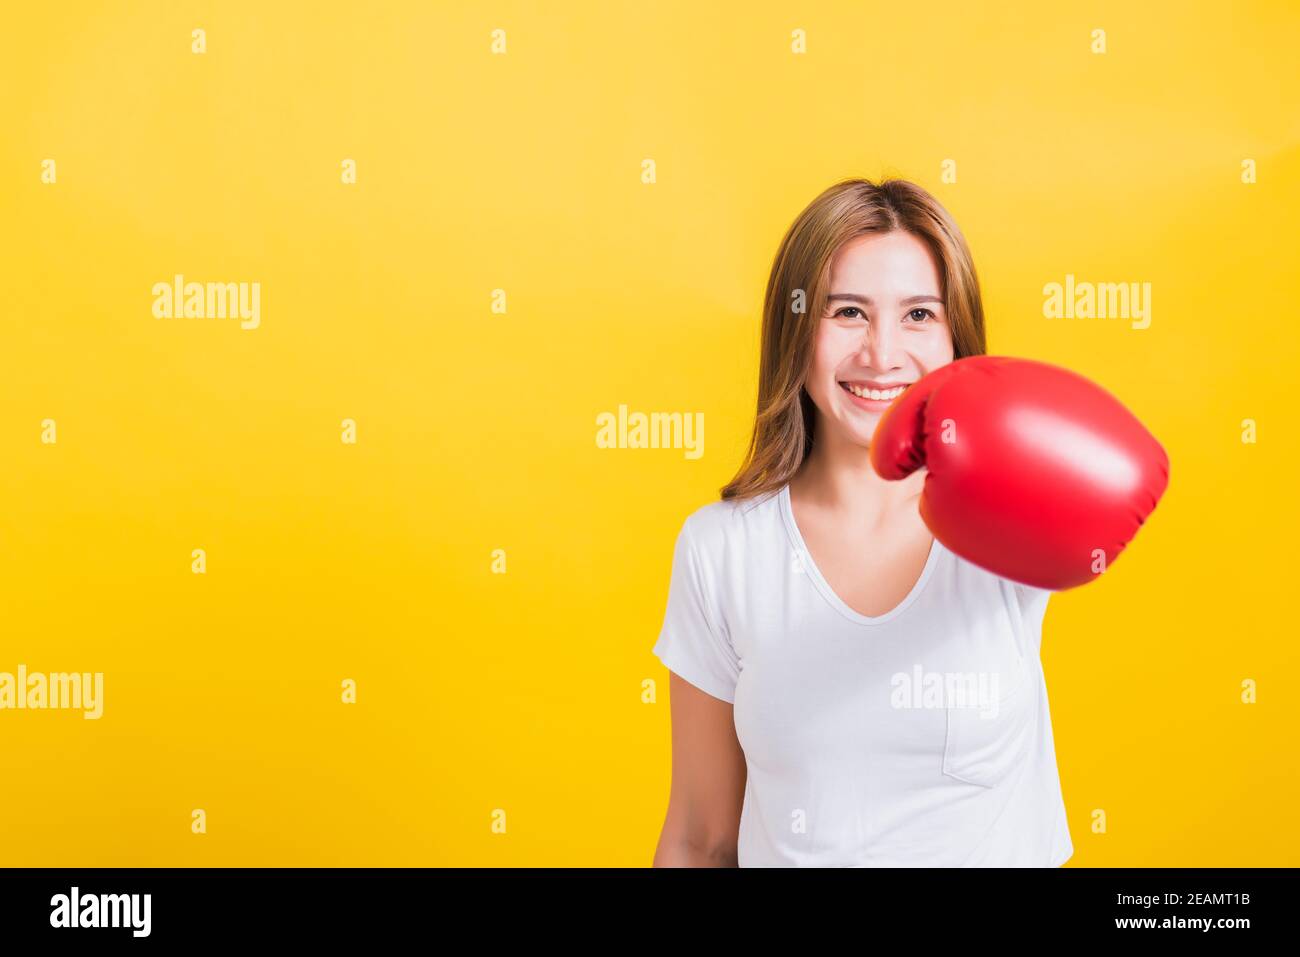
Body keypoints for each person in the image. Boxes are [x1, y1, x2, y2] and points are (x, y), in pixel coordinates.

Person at [651, 178, 1072, 867]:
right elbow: (701, 837)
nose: (881, 353)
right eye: (847, 312)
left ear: (956, 337)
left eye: (918, 315)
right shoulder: (721, 549)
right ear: (795, 329)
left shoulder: (1011, 520)